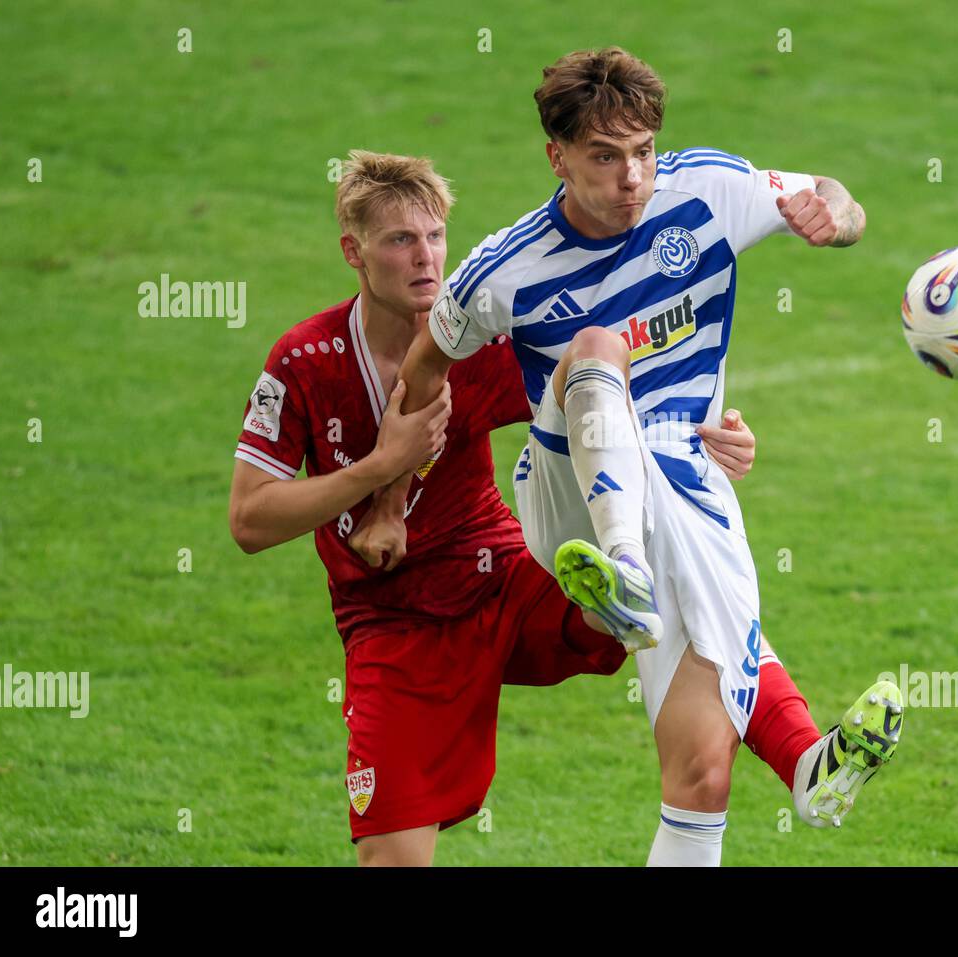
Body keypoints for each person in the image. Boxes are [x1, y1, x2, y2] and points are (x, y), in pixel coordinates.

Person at [350, 49, 905, 868]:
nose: (631, 176)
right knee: (596, 346)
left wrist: (836, 218)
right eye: (605, 157)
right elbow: (426, 367)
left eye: (642, 151)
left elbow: (832, 194)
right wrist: (391, 496)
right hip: (567, 491)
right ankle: (624, 571)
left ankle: (808, 769)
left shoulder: (708, 192)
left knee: (701, 774)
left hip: (687, 482)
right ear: (558, 157)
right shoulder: (508, 268)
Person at [228, 150, 848, 866]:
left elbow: (606, 406)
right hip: (393, 626)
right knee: (391, 861)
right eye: (400, 240)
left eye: (434, 237)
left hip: (507, 581)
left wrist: (708, 435)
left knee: (669, 566)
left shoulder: (483, 346)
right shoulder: (305, 363)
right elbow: (249, 520)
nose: (426, 258)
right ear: (353, 252)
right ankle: (795, 751)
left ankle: (799, 751)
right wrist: (378, 471)